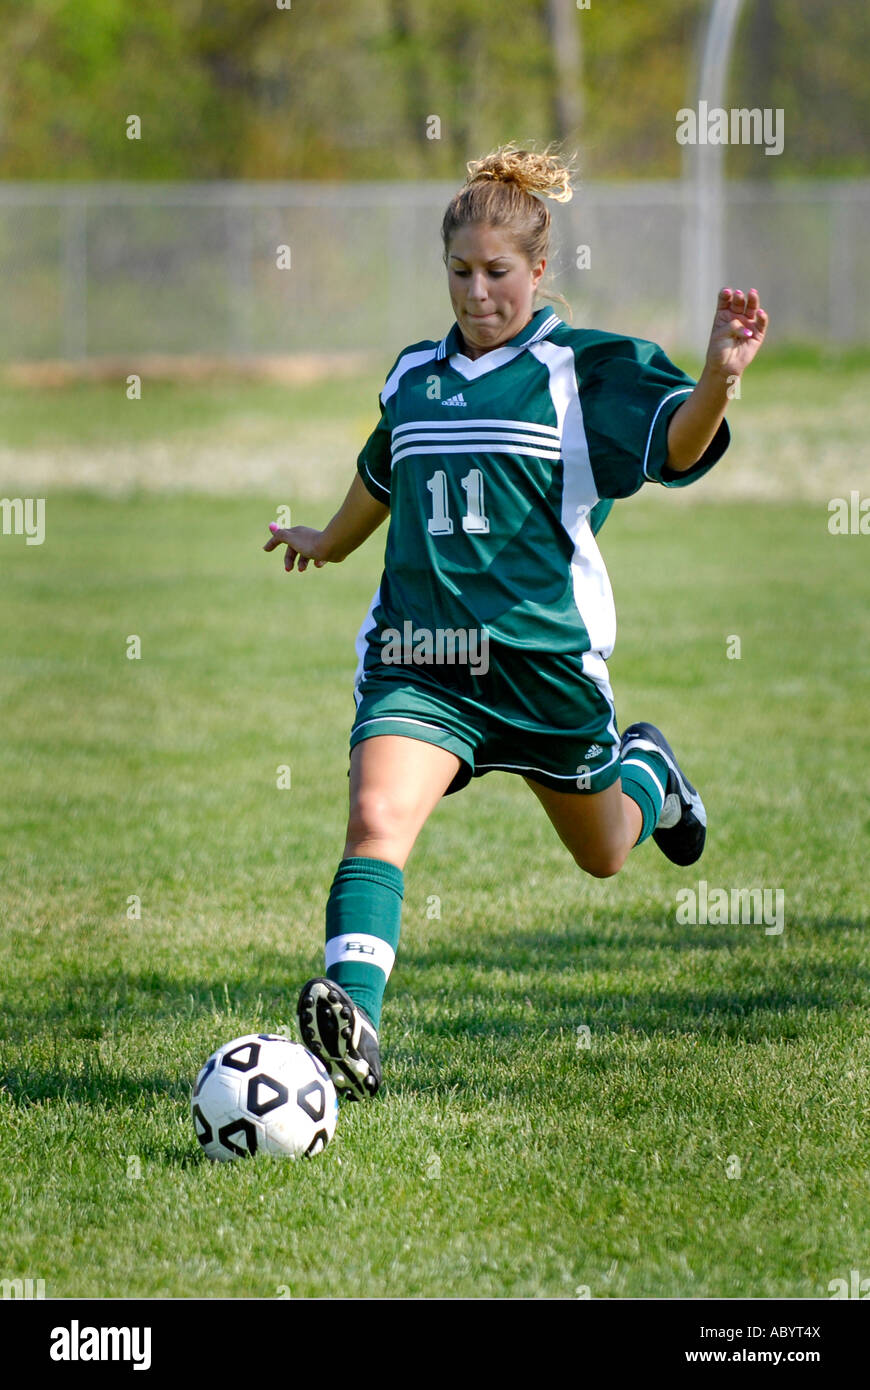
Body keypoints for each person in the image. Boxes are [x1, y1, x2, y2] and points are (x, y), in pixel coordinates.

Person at [263, 143, 768, 1101]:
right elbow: (385, 473)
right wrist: (327, 541)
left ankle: (649, 772)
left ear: (539, 272)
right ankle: (355, 1018)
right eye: (460, 271)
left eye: (498, 272)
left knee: (606, 852)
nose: (477, 291)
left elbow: (674, 446)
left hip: (545, 670)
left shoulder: (581, 373)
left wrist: (719, 379)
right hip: (423, 658)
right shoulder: (413, 374)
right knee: (376, 821)